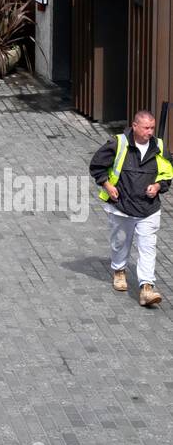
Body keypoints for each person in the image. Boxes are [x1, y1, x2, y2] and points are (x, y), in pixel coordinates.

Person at [90, 110, 172, 307]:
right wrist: (108, 186)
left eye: (152, 128)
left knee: (148, 247)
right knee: (120, 242)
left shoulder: (159, 146)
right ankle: (119, 271)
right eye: (146, 128)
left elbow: (167, 173)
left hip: (148, 209)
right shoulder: (118, 143)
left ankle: (146, 288)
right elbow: (96, 166)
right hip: (122, 206)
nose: (150, 132)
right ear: (134, 126)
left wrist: (158, 186)